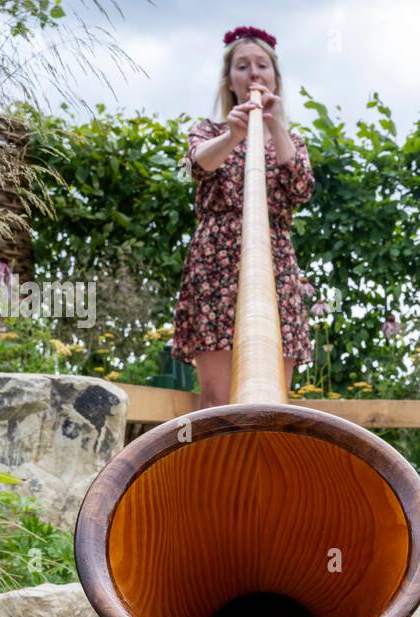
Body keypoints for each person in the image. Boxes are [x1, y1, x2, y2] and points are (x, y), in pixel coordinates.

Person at [172, 25, 315, 408]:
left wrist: (275, 124)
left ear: (275, 78)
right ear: (229, 80)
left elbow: (300, 188)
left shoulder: (291, 139)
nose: (253, 73)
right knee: (217, 400)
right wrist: (234, 134)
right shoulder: (209, 130)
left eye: (262, 65)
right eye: (242, 66)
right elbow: (198, 165)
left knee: (273, 401)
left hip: (274, 265)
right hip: (217, 263)